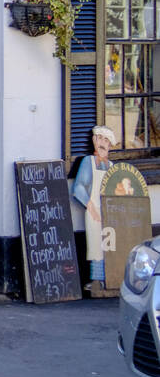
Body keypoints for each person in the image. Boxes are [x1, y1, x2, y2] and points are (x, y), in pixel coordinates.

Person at [71, 125, 116, 292]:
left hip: (108, 210)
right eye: (99, 139)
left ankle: (109, 277)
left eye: (106, 140)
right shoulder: (88, 162)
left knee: (109, 243)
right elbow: (79, 187)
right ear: (94, 141)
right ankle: (96, 279)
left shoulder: (111, 166)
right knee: (95, 243)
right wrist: (90, 207)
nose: (102, 143)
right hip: (94, 209)